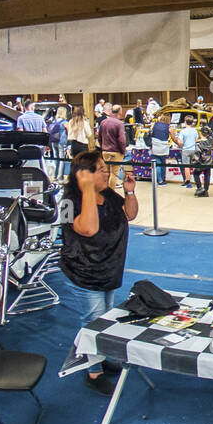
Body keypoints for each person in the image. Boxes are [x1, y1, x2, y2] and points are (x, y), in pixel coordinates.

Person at [59, 143, 135, 389]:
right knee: (92, 321)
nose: (107, 172)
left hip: (109, 270)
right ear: (85, 175)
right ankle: (93, 371)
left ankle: (100, 358)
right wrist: (88, 191)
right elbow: (89, 228)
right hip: (85, 273)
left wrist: (130, 192)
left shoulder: (110, 195)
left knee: (106, 318)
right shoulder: (70, 202)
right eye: (100, 169)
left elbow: (130, 214)